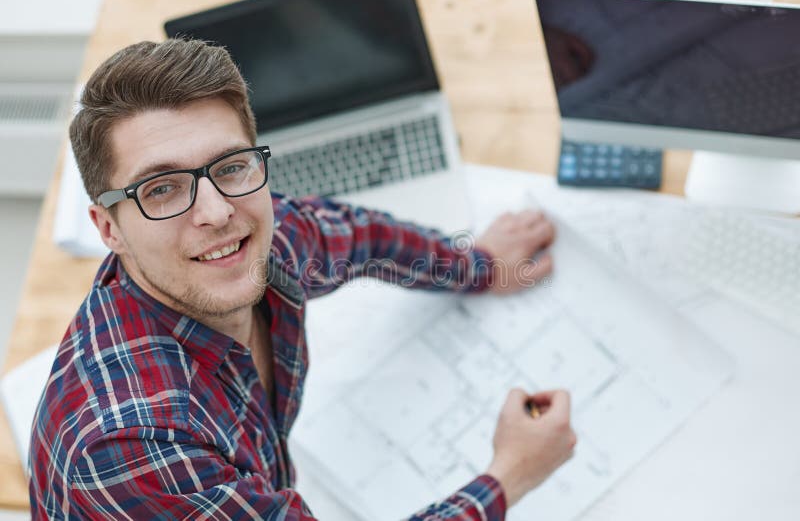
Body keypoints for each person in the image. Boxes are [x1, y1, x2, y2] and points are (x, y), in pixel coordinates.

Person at [29, 38, 576, 520]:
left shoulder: (260, 240)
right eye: (162, 189)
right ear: (108, 228)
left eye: (230, 165)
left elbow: (363, 239)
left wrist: (475, 266)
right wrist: (511, 475)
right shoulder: (132, 447)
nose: (217, 212)